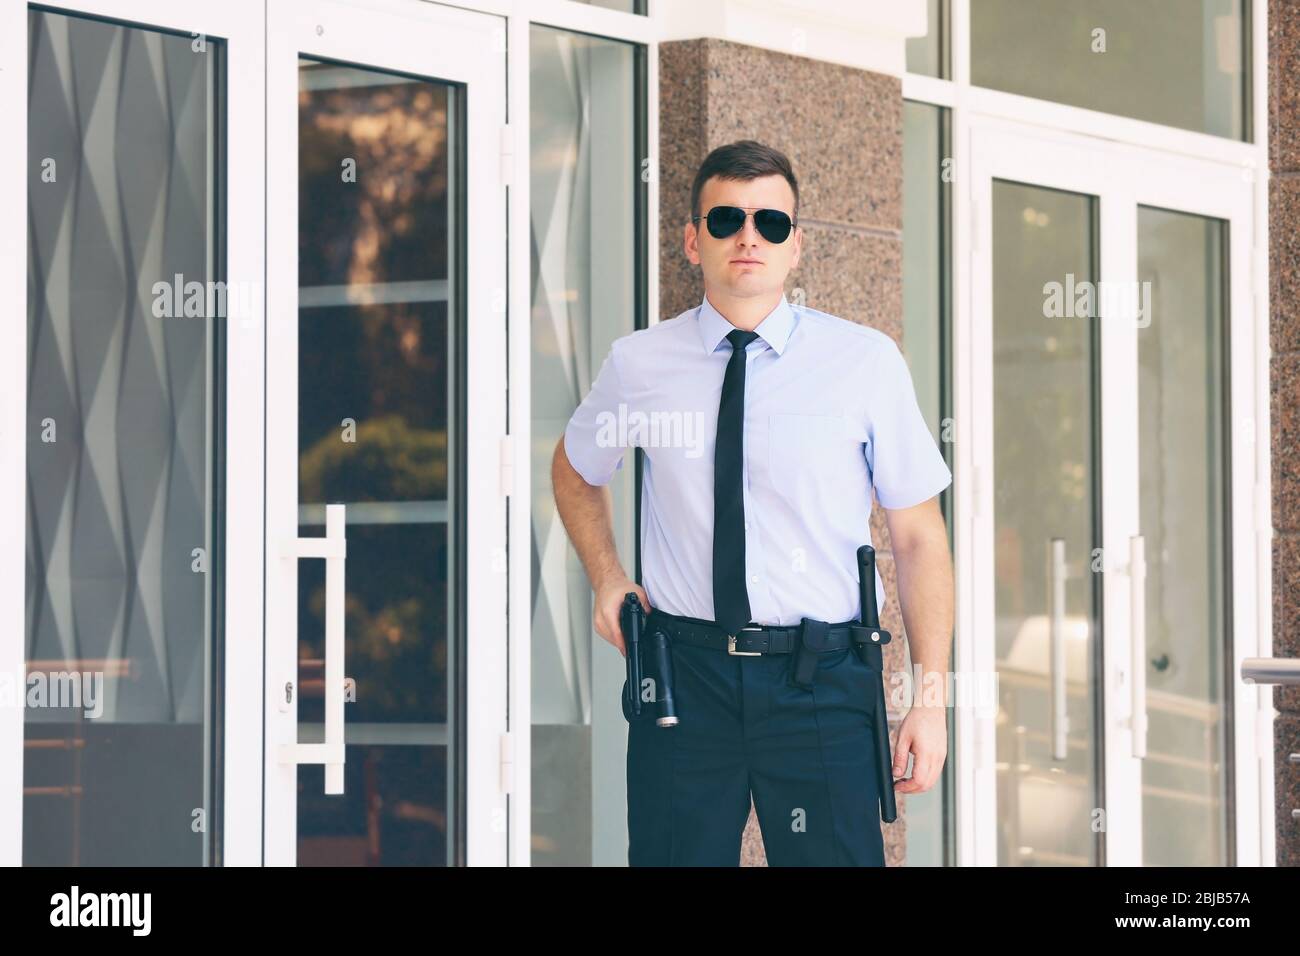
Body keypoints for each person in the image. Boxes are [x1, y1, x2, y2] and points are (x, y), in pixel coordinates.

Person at [551, 139, 955, 866]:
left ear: (796, 246)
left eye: (771, 223)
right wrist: (608, 576)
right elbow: (577, 468)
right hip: (685, 680)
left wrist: (930, 698)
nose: (749, 236)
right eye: (727, 219)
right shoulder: (640, 365)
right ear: (691, 239)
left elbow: (921, 538)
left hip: (821, 683)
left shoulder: (864, 364)